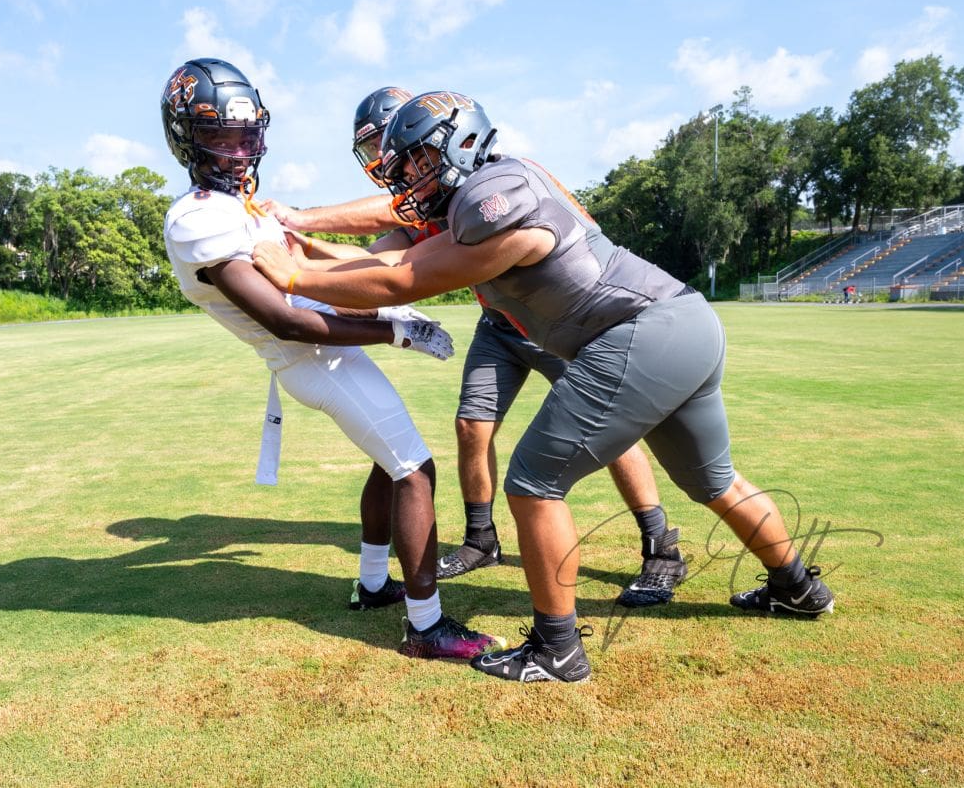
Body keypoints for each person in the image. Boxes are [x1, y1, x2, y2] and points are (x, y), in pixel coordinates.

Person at [253, 91, 836, 683]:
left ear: (460, 143)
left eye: (420, 164)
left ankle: (557, 650)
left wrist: (295, 274)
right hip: (682, 321)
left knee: (533, 483)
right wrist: (313, 256)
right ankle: (798, 588)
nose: (410, 180)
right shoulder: (490, 188)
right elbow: (388, 259)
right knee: (716, 481)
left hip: (639, 330)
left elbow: (403, 280)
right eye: (406, 170)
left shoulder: (490, 199)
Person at [261, 88, 685, 606]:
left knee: (609, 433)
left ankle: (660, 545)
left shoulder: (484, 179)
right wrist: (301, 259)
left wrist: (300, 220)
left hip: (557, 318)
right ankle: (482, 540)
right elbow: (374, 261)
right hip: (502, 321)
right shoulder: (425, 196)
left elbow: (385, 220)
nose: (383, 163)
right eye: (373, 153)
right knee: (471, 426)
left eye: (384, 148)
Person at [159, 61, 500, 660]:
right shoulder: (197, 219)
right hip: (308, 355)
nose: (240, 148)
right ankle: (425, 627)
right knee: (415, 470)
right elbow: (285, 317)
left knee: (387, 462)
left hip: (323, 345)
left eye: (247, 132)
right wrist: (393, 333)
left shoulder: (236, 207)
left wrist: (382, 311)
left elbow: (313, 282)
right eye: (220, 134)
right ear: (187, 137)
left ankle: (372, 585)